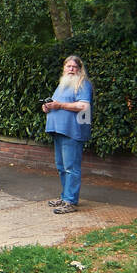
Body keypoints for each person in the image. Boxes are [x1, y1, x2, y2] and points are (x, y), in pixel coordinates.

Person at [43, 55, 93, 214]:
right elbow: (57, 104)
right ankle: (65, 196)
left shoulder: (82, 84)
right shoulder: (62, 84)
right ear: (64, 68)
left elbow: (84, 106)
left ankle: (70, 201)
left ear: (80, 69)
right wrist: (48, 107)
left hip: (73, 131)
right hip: (58, 130)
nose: (71, 69)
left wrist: (59, 105)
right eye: (68, 66)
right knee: (61, 167)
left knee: (71, 167)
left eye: (74, 67)